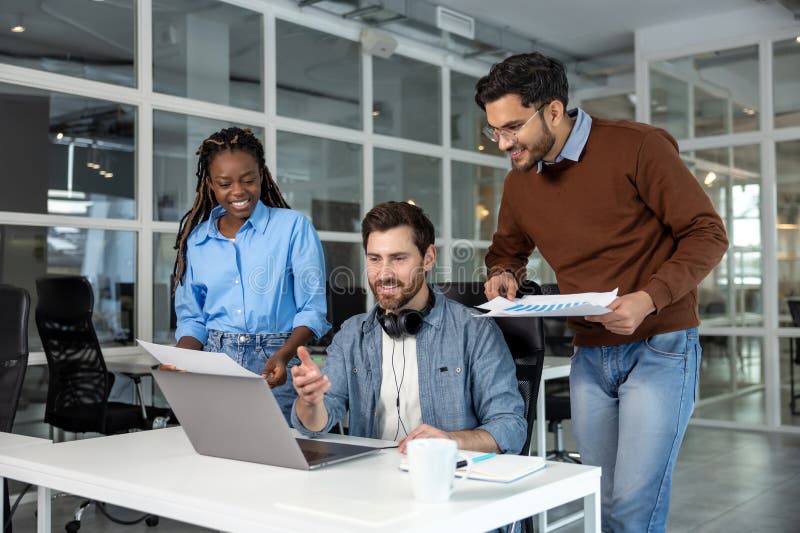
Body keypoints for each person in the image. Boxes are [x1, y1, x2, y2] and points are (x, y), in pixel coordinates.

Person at [475, 53, 729, 532]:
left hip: (660, 347)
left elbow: (707, 234)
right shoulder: (519, 181)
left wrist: (649, 297)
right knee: (601, 504)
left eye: (511, 127)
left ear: (553, 110)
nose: (503, 143)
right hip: (589, 355)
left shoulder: (638, 147)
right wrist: (503, 274)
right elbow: (505, 251)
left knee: (632, 512)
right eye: (494, 131)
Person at [290, 201, 526, 455]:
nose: (384, 273)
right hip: (372, 480)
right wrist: (310, 402)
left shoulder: (475, 330)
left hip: (444, 479)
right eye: (375, 259)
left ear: (428, 258)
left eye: (398, 258)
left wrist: (451, 440)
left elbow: (510, 426)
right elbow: (316, 425)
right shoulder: (351, 334)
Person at [172, 126, 329, 422]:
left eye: (248, 180)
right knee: (218, 456)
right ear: (210, 184)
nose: (238, 192)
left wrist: (284, 354)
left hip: (277, 362)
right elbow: (192, 319)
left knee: (279, 458)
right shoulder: (197, 241)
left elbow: (312, 309)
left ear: (262, 175)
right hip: (216, 364)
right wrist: (181, 361)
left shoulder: (293, 227)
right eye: (224, 183)